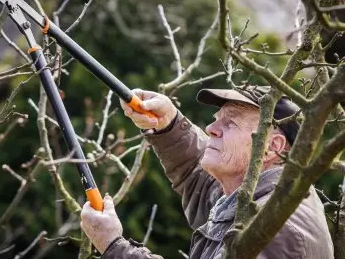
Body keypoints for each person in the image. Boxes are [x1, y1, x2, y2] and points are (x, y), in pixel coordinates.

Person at [80, 86, 334, 258]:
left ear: (271, 147)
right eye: (216, 118)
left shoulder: (276, 229)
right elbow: (197, 175)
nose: (211, 127)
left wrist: (114, 246)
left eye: (230, 122)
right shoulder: (252, 197)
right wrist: (167, 122)